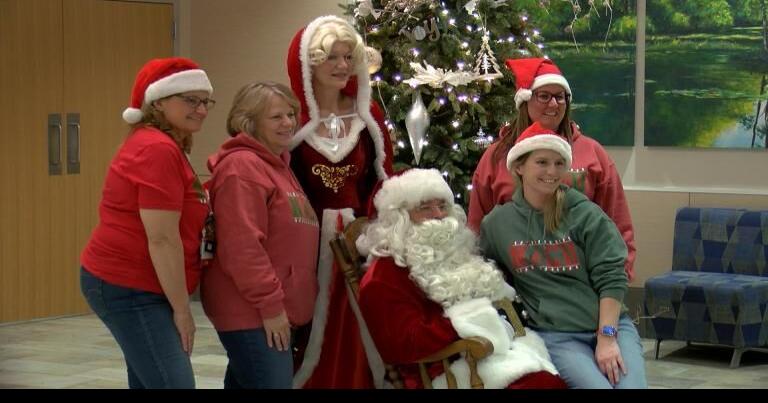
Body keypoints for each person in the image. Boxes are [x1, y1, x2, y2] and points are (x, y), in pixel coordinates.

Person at [355, 169, 567, 389]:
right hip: (445, 370)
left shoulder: (452, 251)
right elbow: (403, 345)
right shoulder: (384, 276)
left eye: (443, 206)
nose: (438, 215)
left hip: (488, 353)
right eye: (425, 208)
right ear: (401, 218)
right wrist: (472, 320)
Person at [479, 122, 647, 389]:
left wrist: (607, 338)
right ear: (519, 167)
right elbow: (485, 276)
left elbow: (612, 278)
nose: (552, 171)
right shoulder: (497, 224)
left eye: (559, 163)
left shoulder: (585, 214)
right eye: (542, 162)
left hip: (610, 327)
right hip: (558, 335)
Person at [79, 57, 214, 388]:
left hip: (141, 284)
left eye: (205, 101)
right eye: (190, 100)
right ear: (159, 103)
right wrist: (183, 311)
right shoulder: (157, 149)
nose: (201, 110)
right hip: (129, 286)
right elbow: (161, 239)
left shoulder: (163, 144)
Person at [286, 15, 394, 388]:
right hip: (305, 246)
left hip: (360, 242)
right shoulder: (291, 119)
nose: (342, 66)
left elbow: (383, 178)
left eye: (349, 57)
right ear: (309, 62)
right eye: (331, 57)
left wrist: (372, 230)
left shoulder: (368, 115)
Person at [468, 57, 636, 282]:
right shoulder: (496, 157)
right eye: (544, 96)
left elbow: (618, 225)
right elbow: (478, 230)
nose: (554, 104)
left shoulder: (593, 153)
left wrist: (615, 283)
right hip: (518, 285)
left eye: (560, 97)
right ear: (525, 101)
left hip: (584, 283)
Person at [200, 82, 319, 389]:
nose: (289, 123)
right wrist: (271, 306)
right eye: (276, 117)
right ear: (248, 122)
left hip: (270, 311)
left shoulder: (278, 166)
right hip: (252, 313)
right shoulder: (243, 168)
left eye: (291, 114)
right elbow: (242, 248)